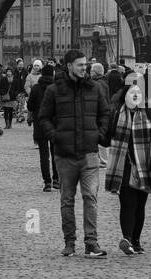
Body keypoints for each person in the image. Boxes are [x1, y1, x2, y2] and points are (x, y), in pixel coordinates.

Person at [36, 48, 110, 258]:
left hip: (89, 153)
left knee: (90, 198)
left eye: (85, 64)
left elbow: (105, 113)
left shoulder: (94, 88)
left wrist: (99, 134)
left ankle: (91, 242)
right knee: (67, 199)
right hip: (65, 154)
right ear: (69, 66)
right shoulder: (54, 90)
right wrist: (56, 136)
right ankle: (69, 241)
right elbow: (43, 118)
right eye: (79, 65)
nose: (83, 68)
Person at [101, 80, 151, 255]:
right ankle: (127, 238)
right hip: (123, 163)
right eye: (132, 92)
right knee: (128, 202)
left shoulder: (150, 112)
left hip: (145, 163)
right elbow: (106, 137)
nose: (135, 96)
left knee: (140, 204)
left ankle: (136, 239)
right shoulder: (116, 113)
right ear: (125, 95)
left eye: (138, 93)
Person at [28, 62, 58, 190]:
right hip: (55, 125)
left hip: (40, 125)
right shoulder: (57, 88)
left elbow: (30, 106)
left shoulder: (36, 88)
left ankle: (47, 182)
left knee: (44, 155)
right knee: (56, 153)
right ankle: (57, 180)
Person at [90, 62, 111, 167]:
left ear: (96, 72)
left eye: (92, 71)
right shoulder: (102, 82)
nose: (90, 73)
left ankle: (104, 160)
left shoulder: (98, 84)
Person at [0, 65, 18, 129]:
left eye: (10, 71)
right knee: (6, 111)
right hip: (5, 98)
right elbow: (0, 87)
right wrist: (3, 93)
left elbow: (17, 88)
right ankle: (7, 124)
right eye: (8, 71)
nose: (9, 72)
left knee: (11, 111)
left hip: (12, 97)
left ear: (12, 72)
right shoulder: (3, 79)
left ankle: (10, 124)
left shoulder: (15, 79)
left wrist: (15, 93)